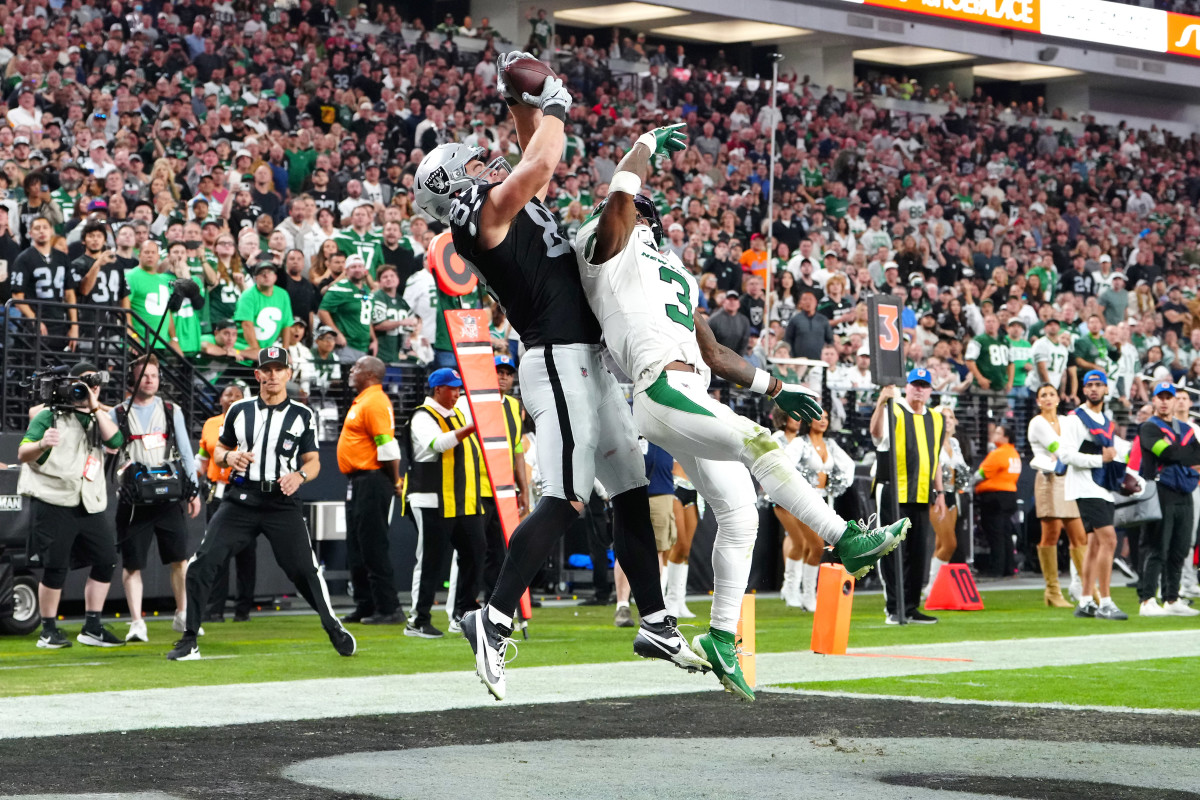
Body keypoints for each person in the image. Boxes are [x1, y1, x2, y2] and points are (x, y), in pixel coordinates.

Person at [575, 122, 909, 700]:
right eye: (638, 212)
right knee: (761, 443)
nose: (644, 220)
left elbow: (714, 352)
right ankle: (844, 537)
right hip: (659, 388)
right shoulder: (607, 246)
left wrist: (776, 387)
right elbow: (620, 197)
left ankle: (720, 637)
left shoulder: (673, 273)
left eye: (649, 215)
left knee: (739, 514)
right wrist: (645, 147)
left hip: (693, 392)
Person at [416, 55, 703, 700]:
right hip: (556, 360)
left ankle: (656, 621)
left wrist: (519, 100)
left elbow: (529, 156)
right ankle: (491, 619)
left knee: (630, 490)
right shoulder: (481, 219)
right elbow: (540, 163)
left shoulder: (506, 204)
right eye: (472, 163)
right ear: (454, 187)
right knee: (568, 496)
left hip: (587, 361)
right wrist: (553, 102)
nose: (485, 161)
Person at [167, 346, 356, 660]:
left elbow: (313, 461)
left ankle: (332, 626)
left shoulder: (302, 414)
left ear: (288, 374)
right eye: (266, 370)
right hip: (241, 499)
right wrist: (229, 457)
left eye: (278, 369)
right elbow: (219, 451)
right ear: (257, 375)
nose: (272, 375)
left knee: (304, 569)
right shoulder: (239, 410)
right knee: (202, 563)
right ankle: (189, 639)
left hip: (282, 501)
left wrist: (299, 476)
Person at [17, 363, 125, 649]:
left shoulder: (97, 416)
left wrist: (95, 407)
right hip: (53, 499)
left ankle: (92, 627)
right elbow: (23, 452)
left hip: (88, 501)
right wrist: (42, 443)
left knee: (106, 559)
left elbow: (116, 440)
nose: (88, 389)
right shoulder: (48, 415)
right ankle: (48, 631)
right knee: (55, 567)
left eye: (94, 384)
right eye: (82, 384)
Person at [111, 355, 201, 643]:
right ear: (132, 379)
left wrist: (194, 490)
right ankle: (137, 622)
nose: (150, 380)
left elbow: (185, 451)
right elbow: (108, 451)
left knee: (180, 559)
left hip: (169, 496)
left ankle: (183, 613)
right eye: (144, 375)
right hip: (134, 499)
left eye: (154, 375)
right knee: (132, 564)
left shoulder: (171, 410)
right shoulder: (117, 413)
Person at [446, 355, 530, 632]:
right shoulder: (470, 402)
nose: (503, 377)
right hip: (474, 486)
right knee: (472, 551)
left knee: (500, 553)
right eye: (498, 371)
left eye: (508, 372)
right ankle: (461, 611)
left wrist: (523, 490)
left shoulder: (515, 406)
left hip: (503, 489)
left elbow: (517, 450)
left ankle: (496, 612)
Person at [404, 368, 485, 638]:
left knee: (475, 551)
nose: (457, 394)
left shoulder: (457, 415)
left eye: (459, 388)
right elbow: (438, 444)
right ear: (437, 389)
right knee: (430, 560)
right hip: (431, 499)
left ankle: (464, 612)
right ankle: (418, 620)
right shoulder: (422, 416)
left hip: (463, 500)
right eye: (452, 388)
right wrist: (472, 428)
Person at [869, 369, 947, 625]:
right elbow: (876, 435)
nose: (919, 390)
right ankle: (894, 607)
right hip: (894, 489)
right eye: (915, 385)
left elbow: (935, 458)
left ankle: (911, 606)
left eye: (924, 386)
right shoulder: (895, 411)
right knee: (891, 549)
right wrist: (881, 403)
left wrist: (940, 492)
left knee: (918, 553)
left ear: (930, 391)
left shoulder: (936, 419)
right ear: (907, 387)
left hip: (922, 492)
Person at [1058, 370, 1131, 621]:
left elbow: (1117, 452)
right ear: (1083, 389)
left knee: (1095, 544)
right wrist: (1100, 459)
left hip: (1102, 487)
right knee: (1109, 540)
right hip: (1085, 487)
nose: (1094, 389)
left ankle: (1086, 600)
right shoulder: (1074, 419)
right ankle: (1106, 602)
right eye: (1090, 385)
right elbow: (1065, 455)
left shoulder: (1106, 421)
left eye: (1099, 384)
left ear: (1106, 389)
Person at [338, 356, 405, 626]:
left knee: (373, 545)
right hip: (358, 481)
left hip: (373, 480)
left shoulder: (375, 401)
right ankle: (365, 604)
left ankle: (390, 608)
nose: (351, 371)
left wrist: (395, 480)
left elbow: (387, 446)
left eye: (356, 367)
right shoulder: (364, 400)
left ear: (369, 374)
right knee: (357, 546)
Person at [1134, 382, 1200, 617]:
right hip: (1160, 491)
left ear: (1173, 401)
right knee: (1157, 546)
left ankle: (1172, 598)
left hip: (1184, 492)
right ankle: (1147, 599)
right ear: (1154, 400)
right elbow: (1166, 452)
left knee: (1180, 547)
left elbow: (1195, 456)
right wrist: (1184, 454)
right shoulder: (1149, 427)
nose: (1164, 401)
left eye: (1168, 397)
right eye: (1160, 397)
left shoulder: (1186, 428)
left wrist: (1178, 452)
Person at [778, 409, 854, 611]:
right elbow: (784, 465)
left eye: (826, 417)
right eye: (818, 416)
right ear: (808, 420)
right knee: (815, 545)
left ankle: (801, 593)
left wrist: (837, 484)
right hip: (802, 500)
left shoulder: (831, 444)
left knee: (811, 546)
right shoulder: (799, 443)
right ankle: (804, 593)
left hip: (822, 500)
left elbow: (849, 466)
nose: (823, 421)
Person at [198, 382, 258, 623]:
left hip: (244, 490)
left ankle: (243, 608)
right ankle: (215, 608)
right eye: (227, 394)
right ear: (220, 399)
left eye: (237, 395)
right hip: (216, 491)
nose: (232, 398)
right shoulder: (210, 424)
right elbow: (203, 456)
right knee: (216, 549)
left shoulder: (253, 423)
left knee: (246, 551)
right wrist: (193, 479)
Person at [1026, 383, 1087, 608]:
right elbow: (1059, 448)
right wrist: (1068, 453)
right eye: (1043, 395)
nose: (1048, 398)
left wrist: (1068, 453)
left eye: (1052, 394)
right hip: (1049, 480)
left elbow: (1075, 446)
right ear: (1038, 401)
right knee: (1051, 534)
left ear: (1058, 398)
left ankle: (1088, 589)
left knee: (1079, 536)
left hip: (1069, 479)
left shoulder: (1065, 421)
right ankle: (1052, 591)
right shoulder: (1037, 422)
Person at [924, 405, 969, 600]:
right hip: (936, 495)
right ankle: (931, 587)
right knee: (950, 544)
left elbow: (961, 468)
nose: (948, 420)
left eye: (951, 417)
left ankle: (932, 587)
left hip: (952, 495)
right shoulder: (931, 440)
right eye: (943, 417)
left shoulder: (954, 442)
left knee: (941, 543)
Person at [974, 424, 1022, 578]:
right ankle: (1009, 568)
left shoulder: (998, 454)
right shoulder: (1014, 453)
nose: (994, 435)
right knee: (1005, 533)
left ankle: (997, 569)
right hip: (1009, 495)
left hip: (994, 498)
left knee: (996, 534)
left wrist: (970, 483)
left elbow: (981, 474)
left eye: (998, 433)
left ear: (1006, 437)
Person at [318, 253, 377, 364]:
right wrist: (337, 334)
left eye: (360, 266)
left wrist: (373, 339)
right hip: (346, 345)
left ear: (365, 270)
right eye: (353, 267)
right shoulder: (339, 288)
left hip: (364, 347)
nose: (357, 269)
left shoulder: (367, 291)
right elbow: (322, 311)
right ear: (346, 270)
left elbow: (366, 317)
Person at [233, 258, 293, 358]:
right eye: (261, 273)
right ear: (255, 278)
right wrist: (258, 352)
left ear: (275, 277)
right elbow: (247, 325)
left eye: (269, 272)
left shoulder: (283, 295)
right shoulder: (248, 295)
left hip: (266, 350)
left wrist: (285, 350)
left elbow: (286, 324)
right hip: (242, 349)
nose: (266, 275)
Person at [664, 462, 699, 619]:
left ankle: (680, 600)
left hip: (693, 486)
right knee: (678, 545)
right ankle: (668, 600)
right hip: (673, 484)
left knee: (686, 550)